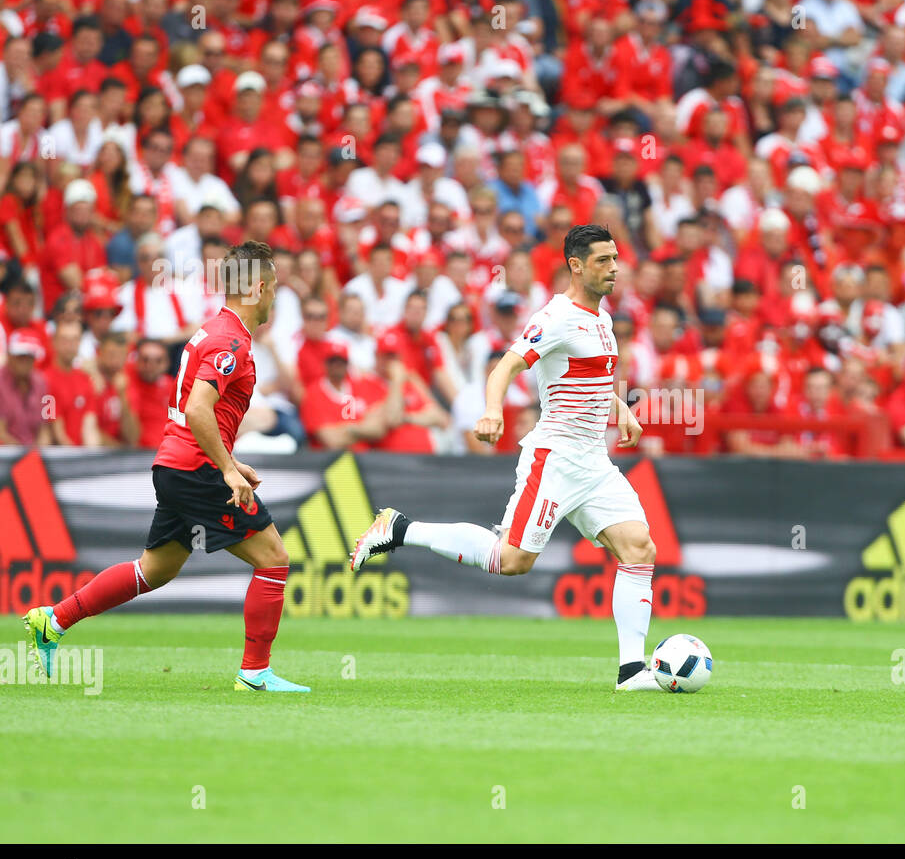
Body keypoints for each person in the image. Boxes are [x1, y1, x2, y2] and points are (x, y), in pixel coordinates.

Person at [351, 225, 663, 692]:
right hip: (554, 459)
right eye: (603, 260)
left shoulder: (601, 317)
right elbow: (507, 365)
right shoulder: (556, 317)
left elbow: (594, 375)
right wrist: (493, 410)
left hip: (594, 463)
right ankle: (399, 529)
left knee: (639, 547)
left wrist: (620, 411)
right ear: (576, 266)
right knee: (511, 561)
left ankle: (632, 672)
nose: (614, 268)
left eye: (616, 258)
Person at [21, 241, 309, 694]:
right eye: (272, 287)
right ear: (256, 288)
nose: (275, 296)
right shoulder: (229, 340)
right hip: (195, 468)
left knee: (154, 570)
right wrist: (226, 471)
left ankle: (54, 620)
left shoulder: (216, 332)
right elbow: (198, 409)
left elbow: (199, 413)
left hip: (178, 464)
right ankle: (255, 672)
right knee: (274, 559)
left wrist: (231, 461)